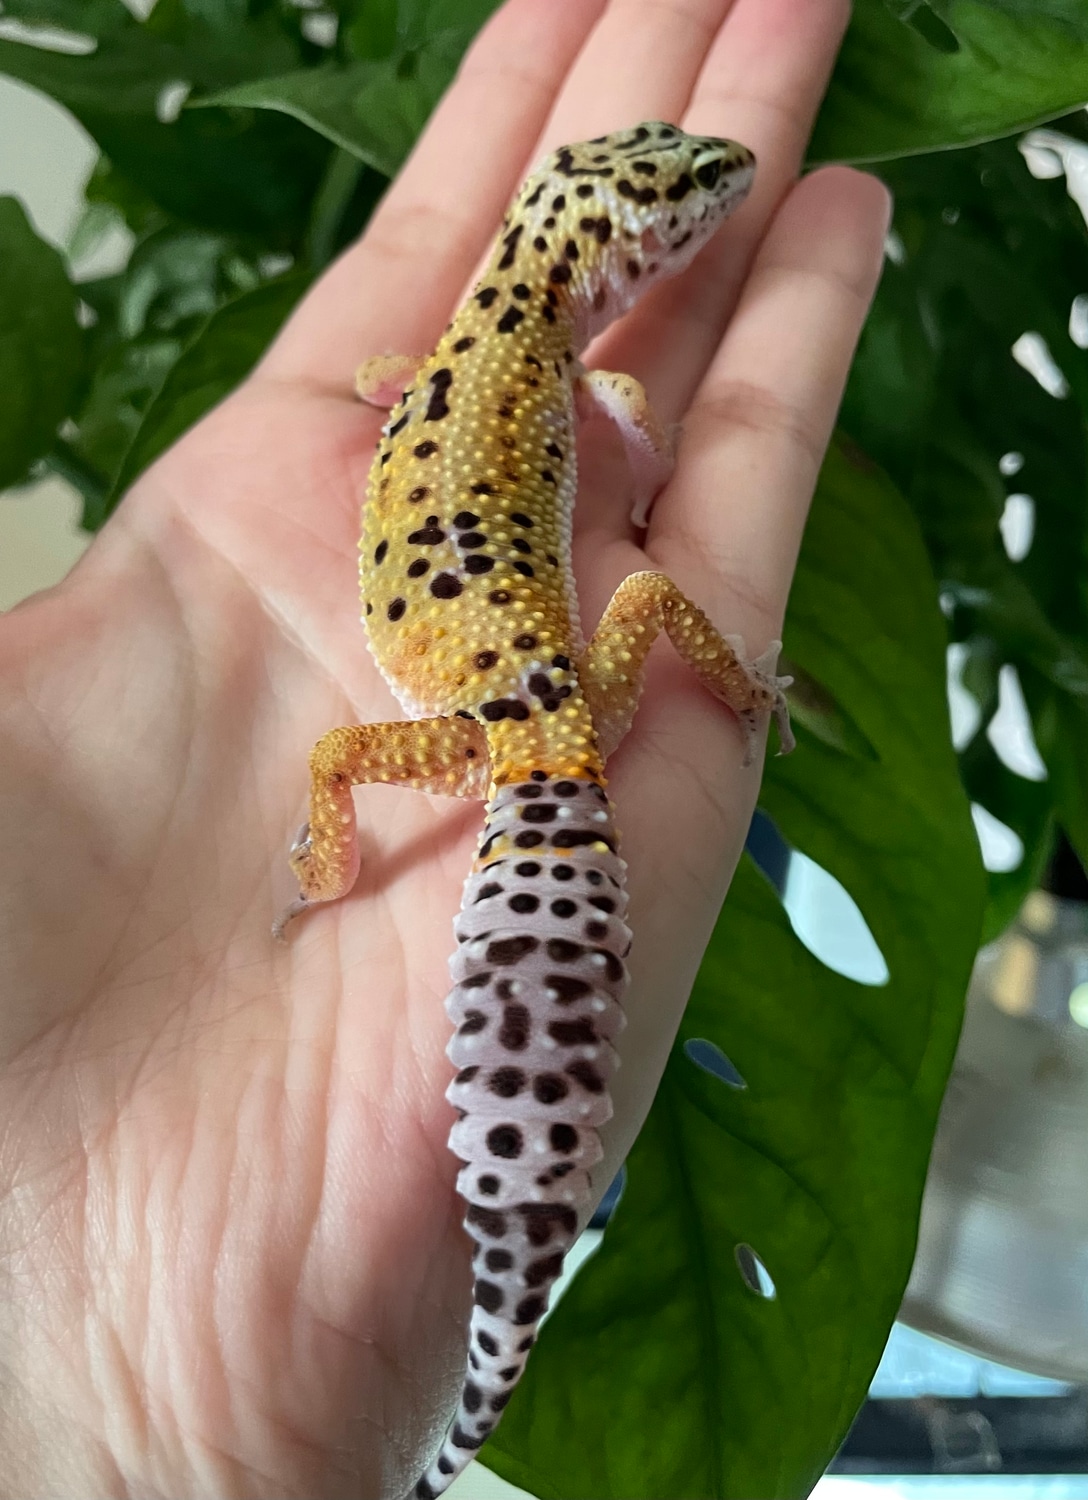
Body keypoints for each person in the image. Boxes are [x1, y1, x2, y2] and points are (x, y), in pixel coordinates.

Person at [0, 0, 889, 1493]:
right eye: (678, 204)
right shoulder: (582, 380)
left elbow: (380, 384)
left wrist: (321, 862)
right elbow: (632, 457)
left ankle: (473, 1354)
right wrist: (737, 671)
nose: (703, 205)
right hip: (540, 721)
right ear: (606, 259)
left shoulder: (473, 355)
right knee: (634, 606)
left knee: (350, 763)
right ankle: (479, 1374)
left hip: (495, 720)